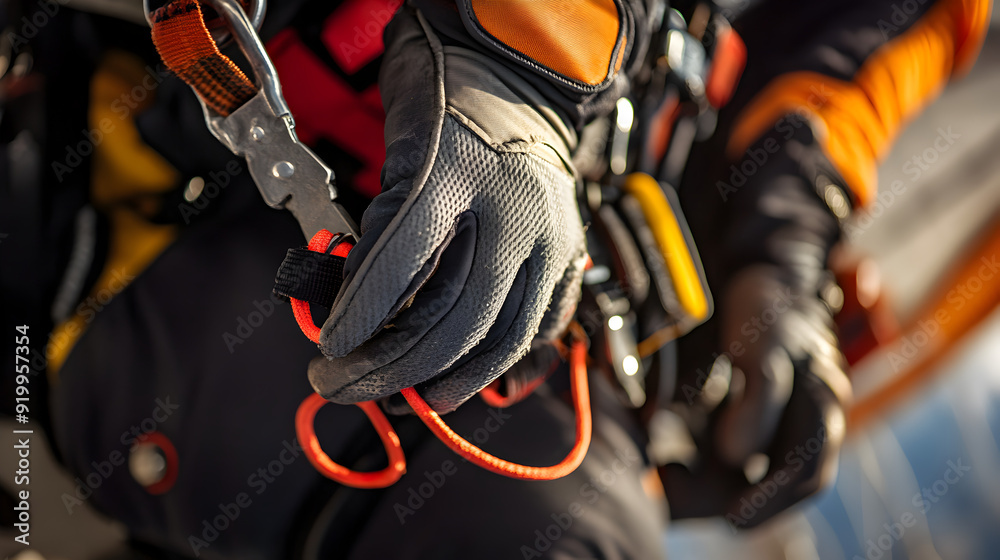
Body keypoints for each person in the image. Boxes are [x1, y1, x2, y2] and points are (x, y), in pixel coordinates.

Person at [0, 0, 989, 558]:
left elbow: (858, 52)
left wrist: (781, 261)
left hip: (519, 294)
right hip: (185, 127)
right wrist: (525, 47)